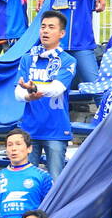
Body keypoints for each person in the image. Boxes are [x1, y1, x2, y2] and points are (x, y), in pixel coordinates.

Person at [15, 11, 77, 179]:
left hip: (56, 129)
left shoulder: (68, 60)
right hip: (29, 128)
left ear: (62, 33)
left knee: (56, 180)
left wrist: (34, 88)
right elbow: (18, 92)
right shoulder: (27, 59)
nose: (45, 31)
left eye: (51, 27)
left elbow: (57, 88)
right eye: (43, 27)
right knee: (26, 179)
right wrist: (28, 95)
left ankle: (54, 208)